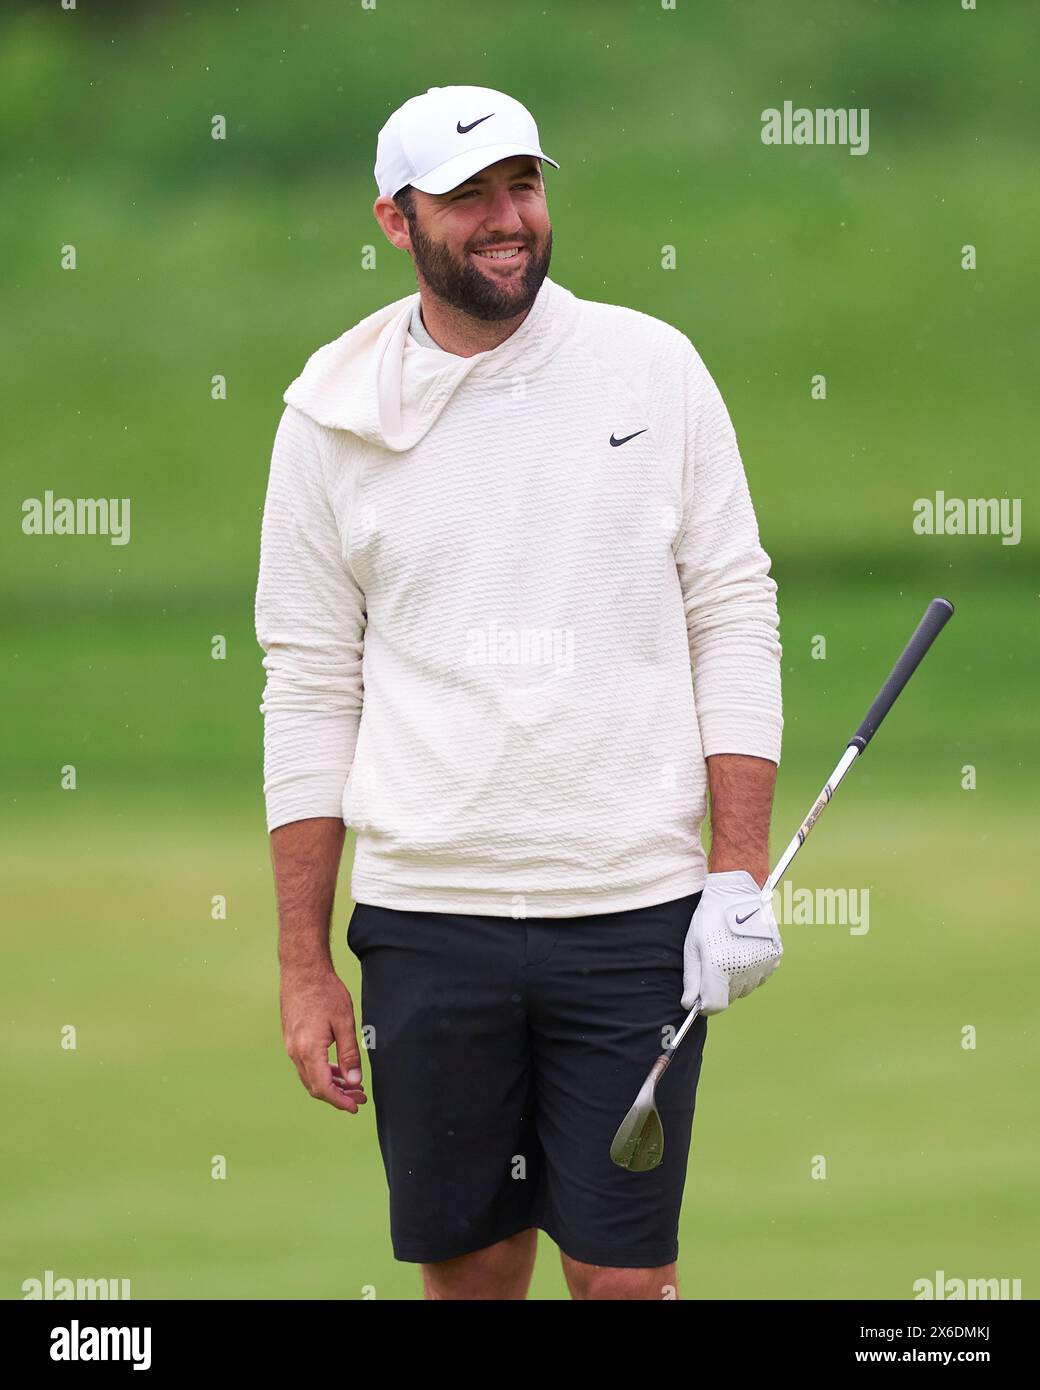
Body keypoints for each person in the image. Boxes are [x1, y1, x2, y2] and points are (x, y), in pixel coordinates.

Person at [254, 84, 784, 1301]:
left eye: (522, 187)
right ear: (396, 222)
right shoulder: (330, 416)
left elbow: (732, 611)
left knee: (623, 1282)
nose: (505, 219)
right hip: (426, 919)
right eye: (468, 198)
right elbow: (306, 680)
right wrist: (301, 962)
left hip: (631, 907)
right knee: (474, 1274)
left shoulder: (653, 368)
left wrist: (735, 869)